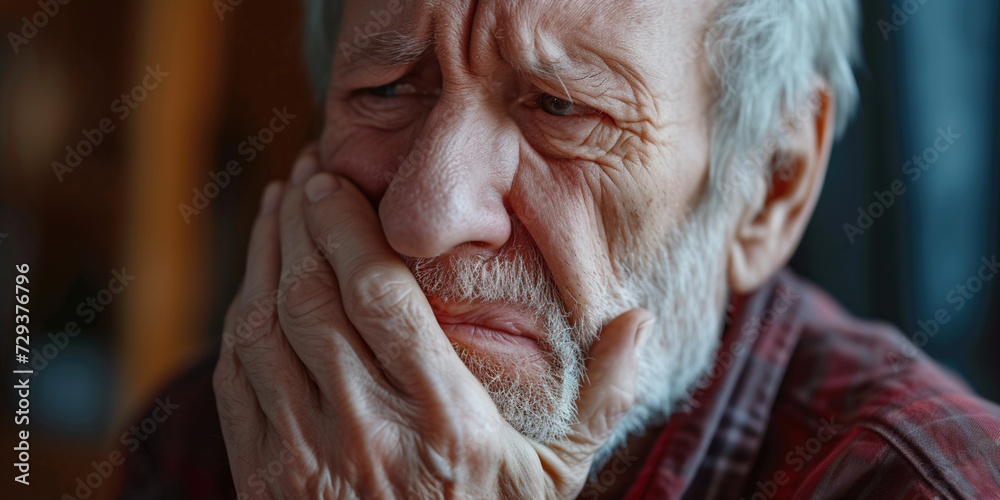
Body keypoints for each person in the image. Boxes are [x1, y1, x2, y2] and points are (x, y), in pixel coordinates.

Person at [121, 0, 1000, 498]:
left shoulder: (915, 483)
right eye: (386, 88)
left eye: (562, 108)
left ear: (770, 186)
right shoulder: (211, 439)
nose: (430, 214)